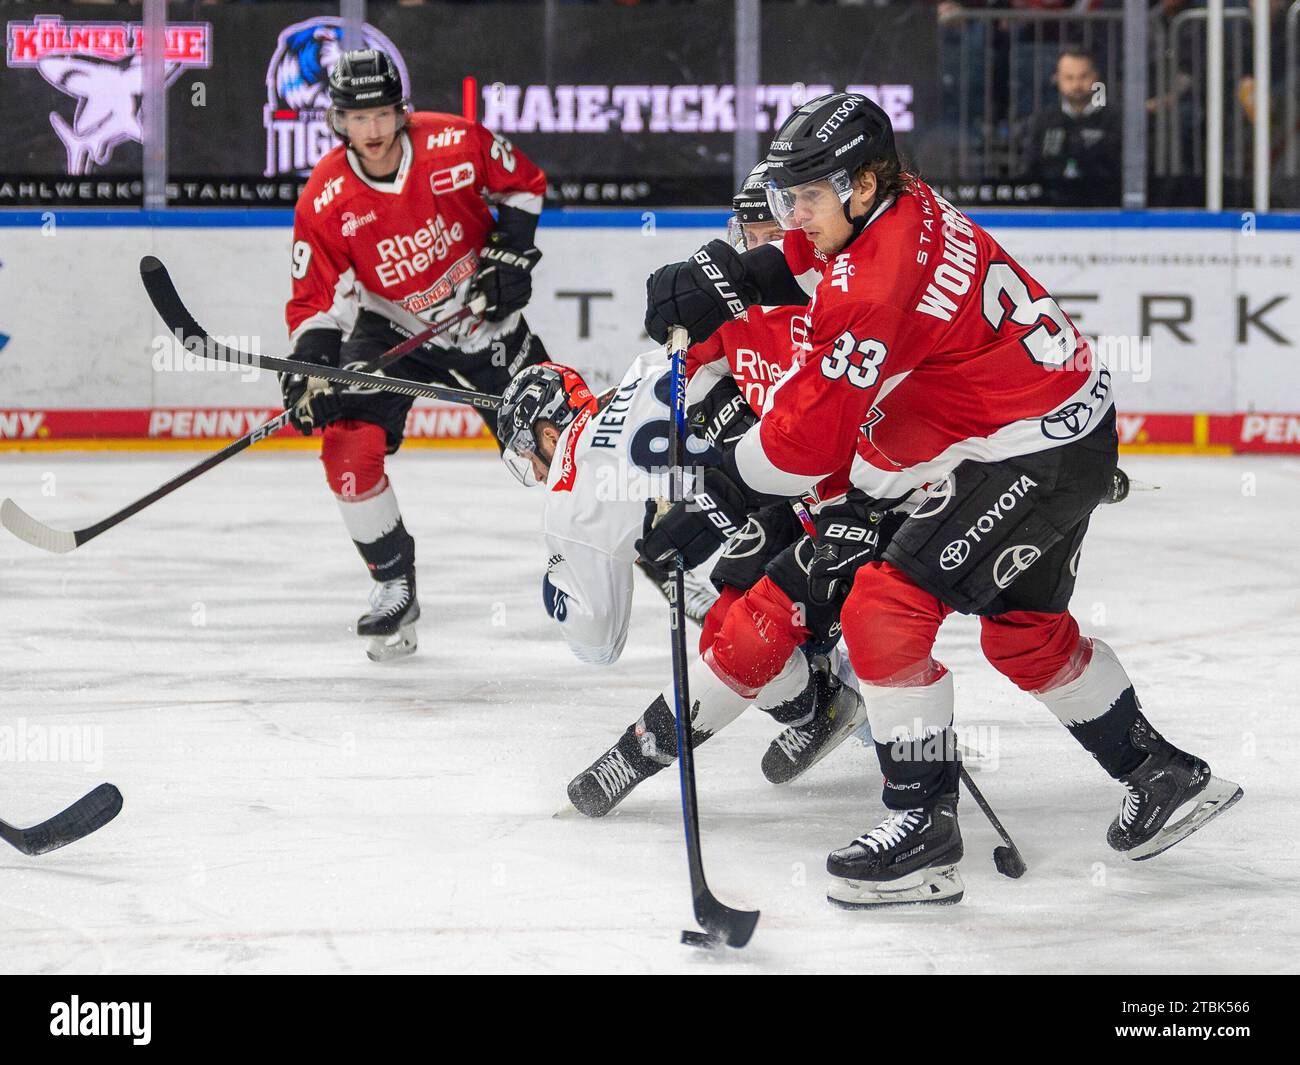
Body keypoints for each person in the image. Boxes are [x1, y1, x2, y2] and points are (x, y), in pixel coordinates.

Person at [641, 92, 1242, 907]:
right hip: (1066, 431)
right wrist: (735, 278)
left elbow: (804, 445)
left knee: (881, 609)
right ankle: (1162, 773)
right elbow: (821, 262)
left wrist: (712, 498)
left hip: (1033, 453)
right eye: (791, 197)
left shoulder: (874, 286)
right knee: (1024, 635)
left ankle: (922, 828)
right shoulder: (905, 199)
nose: (795, 215)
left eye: (808, 196)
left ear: (859, 186)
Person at [563, 164, 886, 818]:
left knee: (870, 626)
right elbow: (692, 363)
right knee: (723, 603)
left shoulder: (844, 287)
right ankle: (819, 707)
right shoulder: (737, 299)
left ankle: (890, 733)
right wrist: (723, 415)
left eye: (785, 219)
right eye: (757, 225)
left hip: (871, 495)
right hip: (784, 489)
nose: (771, 237)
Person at [282, 48, 550, 661]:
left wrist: (507, 259)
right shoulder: (324, 199)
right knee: (348, 444)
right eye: (357, 118)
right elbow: (315, 299)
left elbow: (525, 185)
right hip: (392, 327)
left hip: (483, 320)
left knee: (556, 446)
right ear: (336, 121)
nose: (371, 132)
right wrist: (310, 372)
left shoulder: (457, 142)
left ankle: (659, 556)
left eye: (381, 114)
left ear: (401, 111)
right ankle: (393, 585)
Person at [1023, 48, 1122, 207]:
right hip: (1051, 209)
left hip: (1106, 208)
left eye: (1083, 76)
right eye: (1069, 78)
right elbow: (1030, 172)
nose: (1076, 84)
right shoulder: (1043, 121)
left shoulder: (1116, 119)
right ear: (1057, 78)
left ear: (1095, 77)